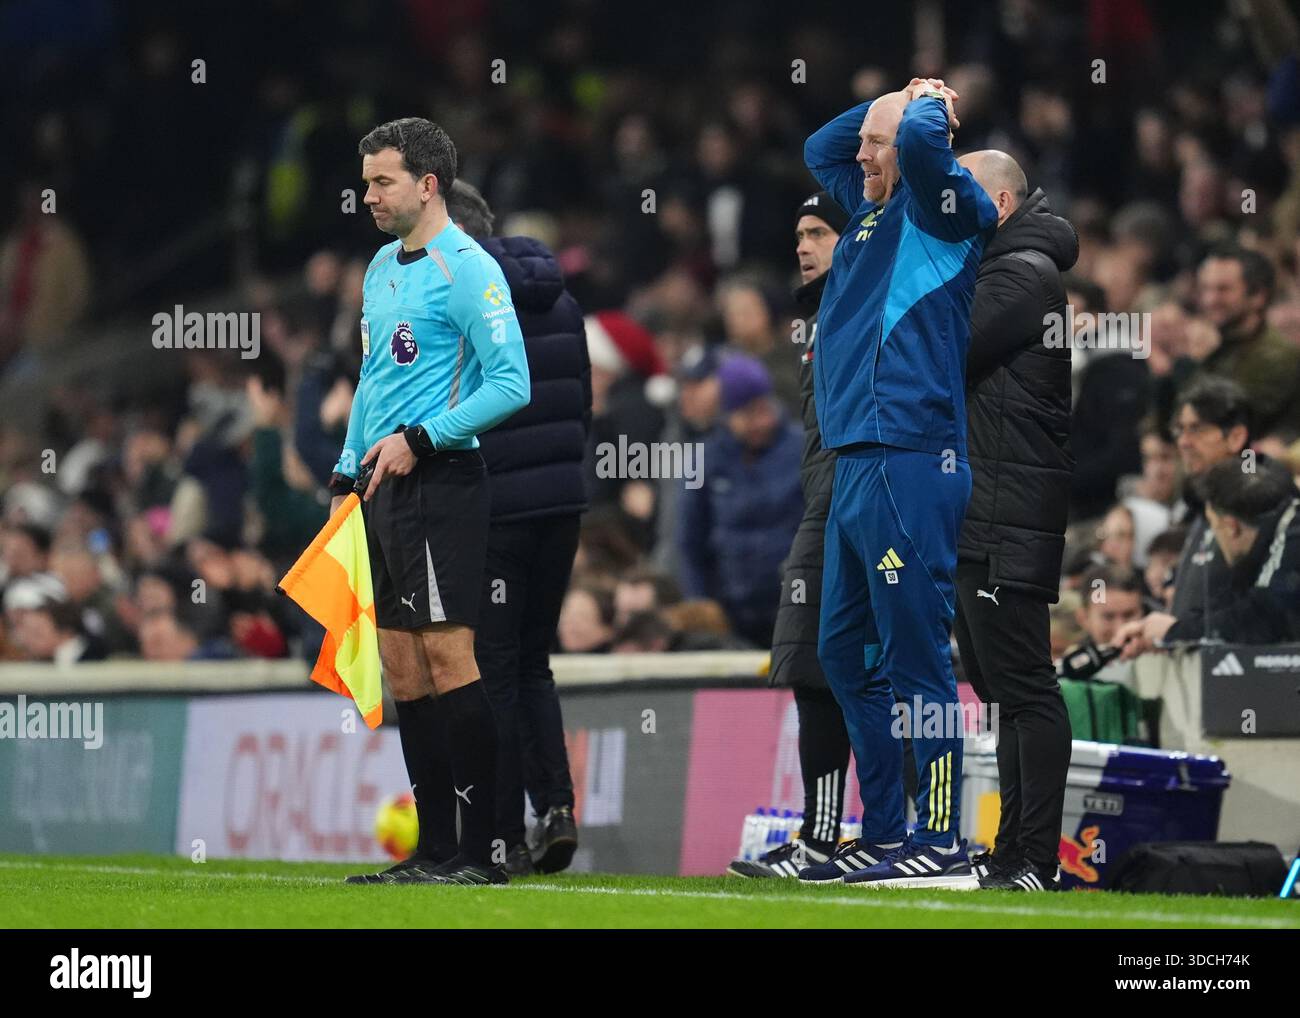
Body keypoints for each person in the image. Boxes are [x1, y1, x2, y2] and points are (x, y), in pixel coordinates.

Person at [799, 79, 998, 888]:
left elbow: (916, 146)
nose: (860, 156)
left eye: (875, 144)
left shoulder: (941, 211)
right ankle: (885, 831)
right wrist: (894, 96)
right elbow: (821, 147)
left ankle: (941, 832)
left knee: (917, 655)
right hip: (856, 461)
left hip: (909, 456)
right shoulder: (874, 206)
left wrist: (926, 107)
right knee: (843, 652)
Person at [330, 118, 530, 887]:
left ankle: (481, 853)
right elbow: (374, 379)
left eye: (382, 181)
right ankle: (434, 850)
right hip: (381, 487)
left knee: (449, 657)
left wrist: (423, 436)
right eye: (366, 180)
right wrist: (349, 467)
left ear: (428, 184)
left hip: (442, 483)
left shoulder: (469, 268)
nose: (368, 194)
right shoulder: (381, 267)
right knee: (402, 667)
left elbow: (511, 384)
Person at [443, 179, 590, 877]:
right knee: (534, 662)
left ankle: (498, 832)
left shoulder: (464, 299)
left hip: (497, 505)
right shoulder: (560, 297)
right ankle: (555, 809)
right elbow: (583, 404)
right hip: (562, 504)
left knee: (493, 670)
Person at [949, 154, 1076, 892]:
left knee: (1026, 687)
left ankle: (1035, 858)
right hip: (986, 506)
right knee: (1002, 692)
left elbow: (945, 350)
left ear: (996, 202)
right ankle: (1010, 854)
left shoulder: (1022, 273)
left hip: (1008, 509)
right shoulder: (1004, 268)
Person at [729, 191, 855, 878]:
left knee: (851, 673)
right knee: (812, 669)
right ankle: (825, 835)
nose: (803, 246)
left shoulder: (861, 307)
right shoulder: (815, 322)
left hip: (859, 510)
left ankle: (875, 837)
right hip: (828, 508)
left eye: (818, 233)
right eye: (799, 233)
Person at [1115, 378, 1250, 654]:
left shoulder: (1256, 507)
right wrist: (1157, 635)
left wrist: (1178, 631)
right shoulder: (1203, 505)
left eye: (1197, 429)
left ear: (1236, 437)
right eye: (1180, 430)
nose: (1184, 443)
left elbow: (1262, 612)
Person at [677, 355, 803, 647]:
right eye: (748, 413)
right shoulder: (704, 460)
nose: (761, 421)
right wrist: (699, 603)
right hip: (730, 608)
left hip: (794, 603)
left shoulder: (802, 449)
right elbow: (689, 541)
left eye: (764, 408)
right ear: (728, 415)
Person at [1117, 457, 1300, 653]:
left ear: (1231, 527)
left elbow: (1265, 617)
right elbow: (1238, 605)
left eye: (1214, 527)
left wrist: (1176, 632)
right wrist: (1167, 630)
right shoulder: (1275, 539)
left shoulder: (1294, 532)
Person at [1194, 245, 1300, 435]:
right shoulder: (1223, 349)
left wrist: (1196, 363)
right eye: (1205, 288)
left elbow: (1223, 423)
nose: (1210, 300)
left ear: (1257, 296)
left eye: (1223, 289)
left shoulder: (1277, 357)